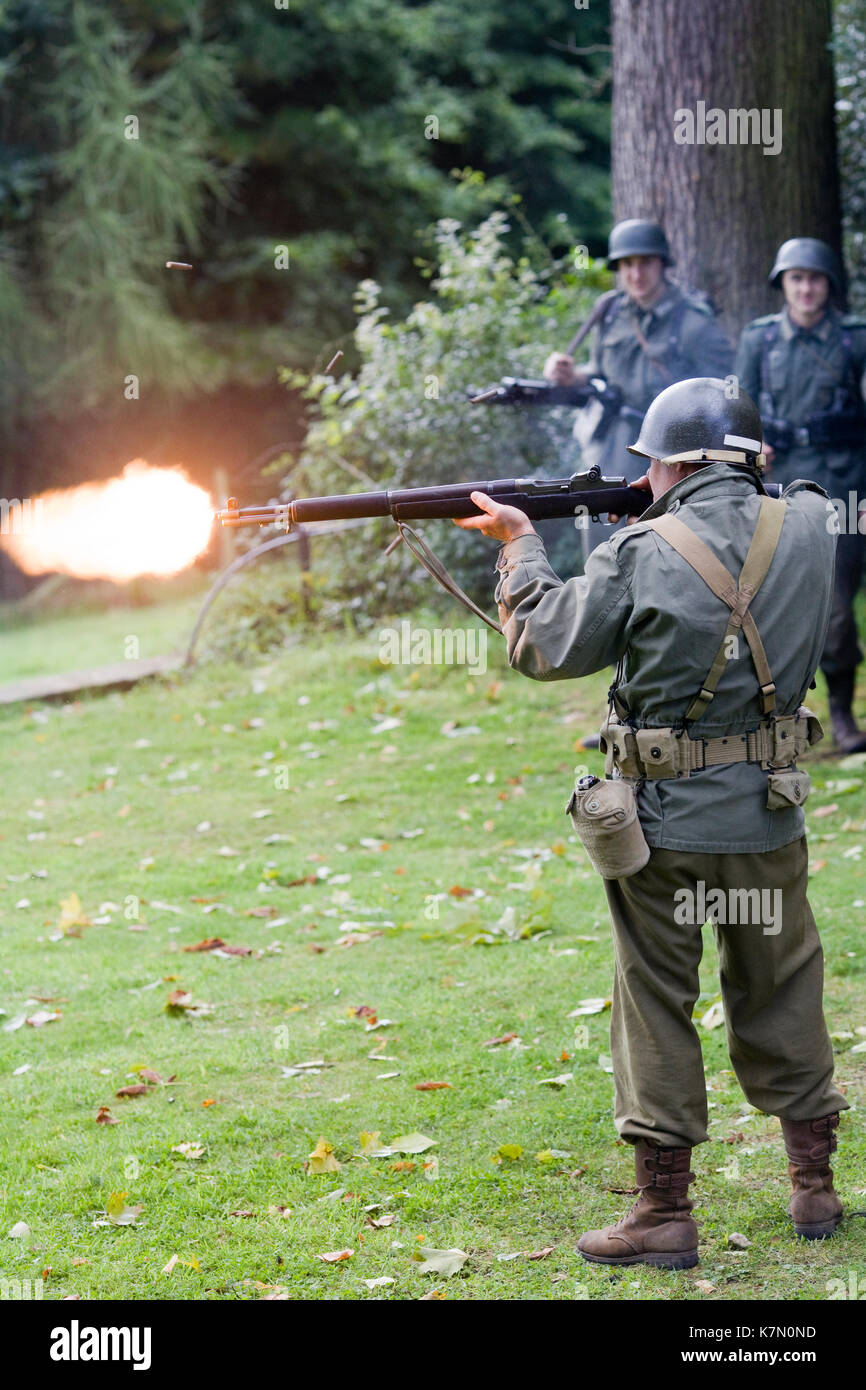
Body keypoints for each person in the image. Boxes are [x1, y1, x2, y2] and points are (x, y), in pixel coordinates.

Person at [455, 377, 846, 1269]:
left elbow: (547, 645)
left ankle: (664, 1213)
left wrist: (521, 547)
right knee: (785, 986)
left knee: (656, 1004)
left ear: (673, 463)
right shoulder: (814, 530)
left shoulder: (638, 550)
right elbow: (801, 494)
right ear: (753, 462)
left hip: (662, 830)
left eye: (654, 461)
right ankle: (814, 1189)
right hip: (768, 815)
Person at [736, 238, 866, 753]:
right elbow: (737, 410)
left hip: (845, 487)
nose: (806, 287)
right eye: (796, 278)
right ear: (783, 285)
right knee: (765, 603)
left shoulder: (855, 339)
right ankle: (776, 716)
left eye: (815, 278)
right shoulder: (760, 340)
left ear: (828, 284)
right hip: (778, 488)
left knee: (834, 606)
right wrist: (754, 445)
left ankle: (841, 715)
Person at [544, 218, 734, 495]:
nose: (636, 274)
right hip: (611, 446)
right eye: (627, 264)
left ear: (662, 264)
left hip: (671, 454)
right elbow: (599, 372)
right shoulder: (611, 313)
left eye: (645, 262)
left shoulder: (694, 321)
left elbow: (726, 393)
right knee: (602, 528)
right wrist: (570, 376)